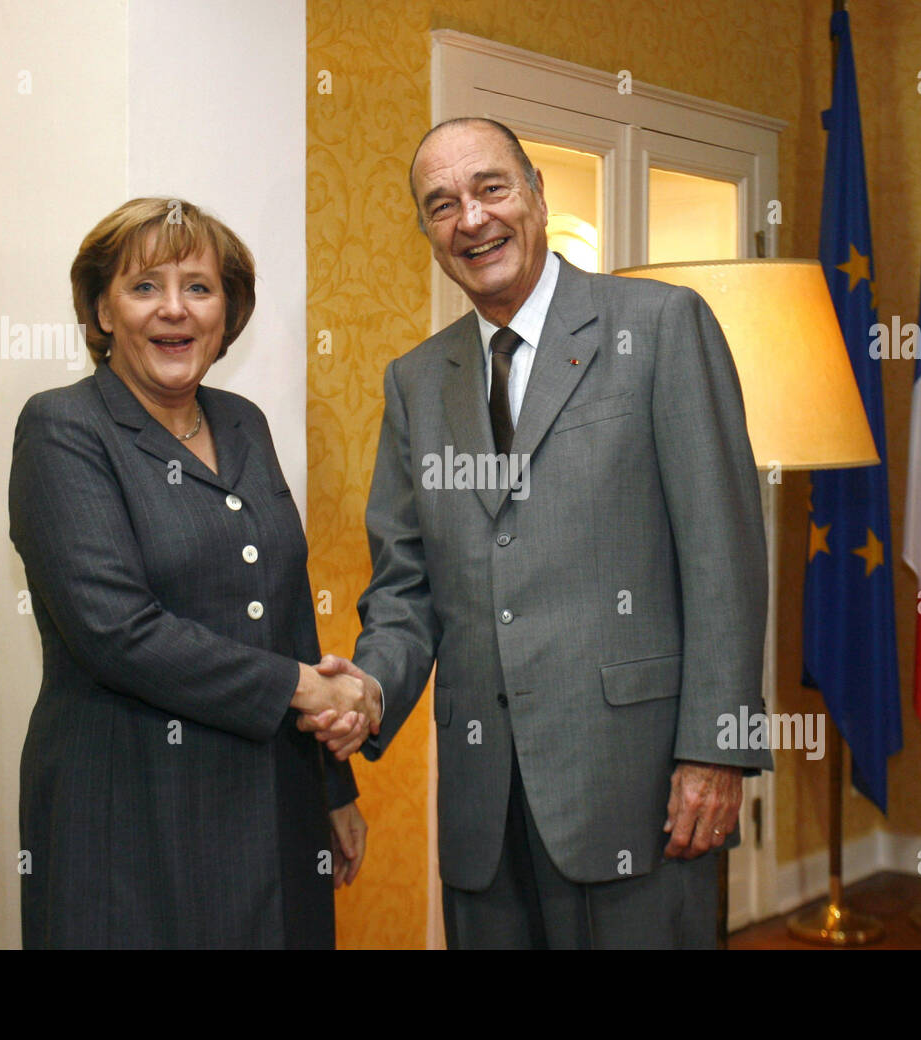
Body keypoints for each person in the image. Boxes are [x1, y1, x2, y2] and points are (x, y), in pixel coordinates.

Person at [307, 119, 771, 949]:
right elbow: (404, 589)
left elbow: (723, 558)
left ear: (536, 193)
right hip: (487, 816)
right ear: (428, 234)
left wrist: (718, 751)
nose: (472, 220)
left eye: (491, 188)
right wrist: (369, 691)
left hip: (643, 791)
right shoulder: (417, 382)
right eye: (442, 205)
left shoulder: (661, 326)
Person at [9, 197, 376, 949]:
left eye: (199, 288)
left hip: (274, 802)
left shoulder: (243, 421)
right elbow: (116, 632)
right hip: (127, 811)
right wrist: (307, 688)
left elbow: (286, 609)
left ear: (226, 311)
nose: (174, 310)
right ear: (102, 310)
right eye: (145, 287)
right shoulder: (62, 429)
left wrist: (332, 787)